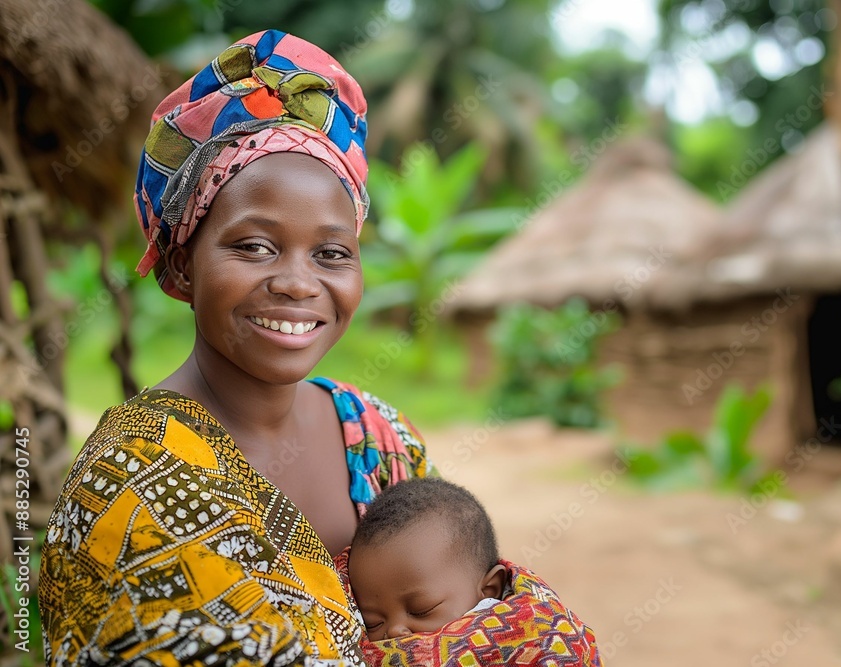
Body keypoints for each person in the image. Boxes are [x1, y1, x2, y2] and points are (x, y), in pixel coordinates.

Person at [38, 30, 432, 667]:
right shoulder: (130, 487)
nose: (299, 283)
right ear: (181, 267)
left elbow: (475, 610)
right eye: (254, 247)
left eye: (332, 253)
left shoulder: (382, 439)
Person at [339, 478, 604, 666]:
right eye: (373, 622)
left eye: (421, 609)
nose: (395, 631)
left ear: (489, 590)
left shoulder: (540, 636)